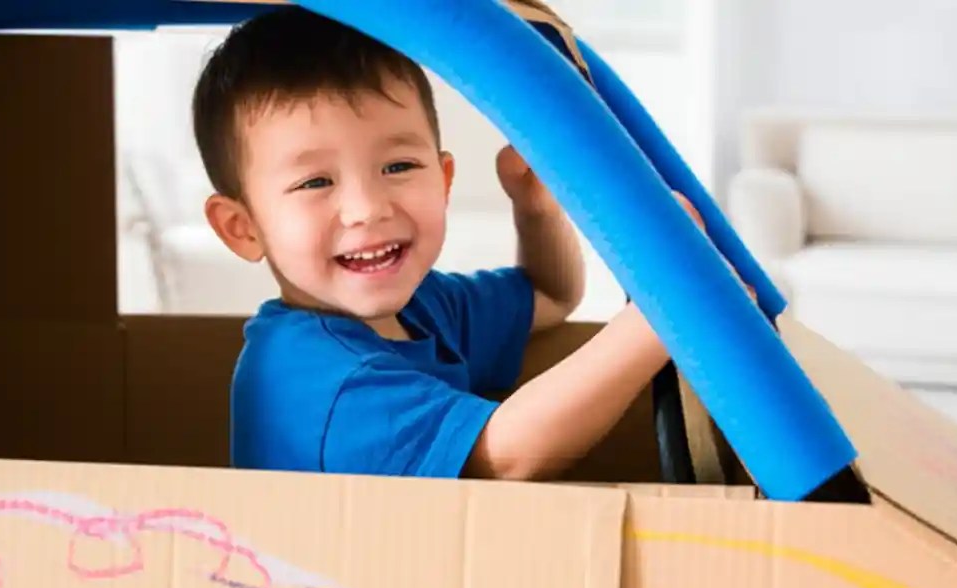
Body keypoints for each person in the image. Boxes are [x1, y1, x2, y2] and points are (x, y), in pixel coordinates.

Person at [192, 6, 714, 481]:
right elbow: (506, 455)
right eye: (315, 183)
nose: (368, 208)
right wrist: (658, 318)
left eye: (398, 166)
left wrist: (535, 209)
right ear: (244, 228)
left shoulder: (424, 309)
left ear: (443, 180)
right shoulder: (322, 382)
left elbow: (551, 298)